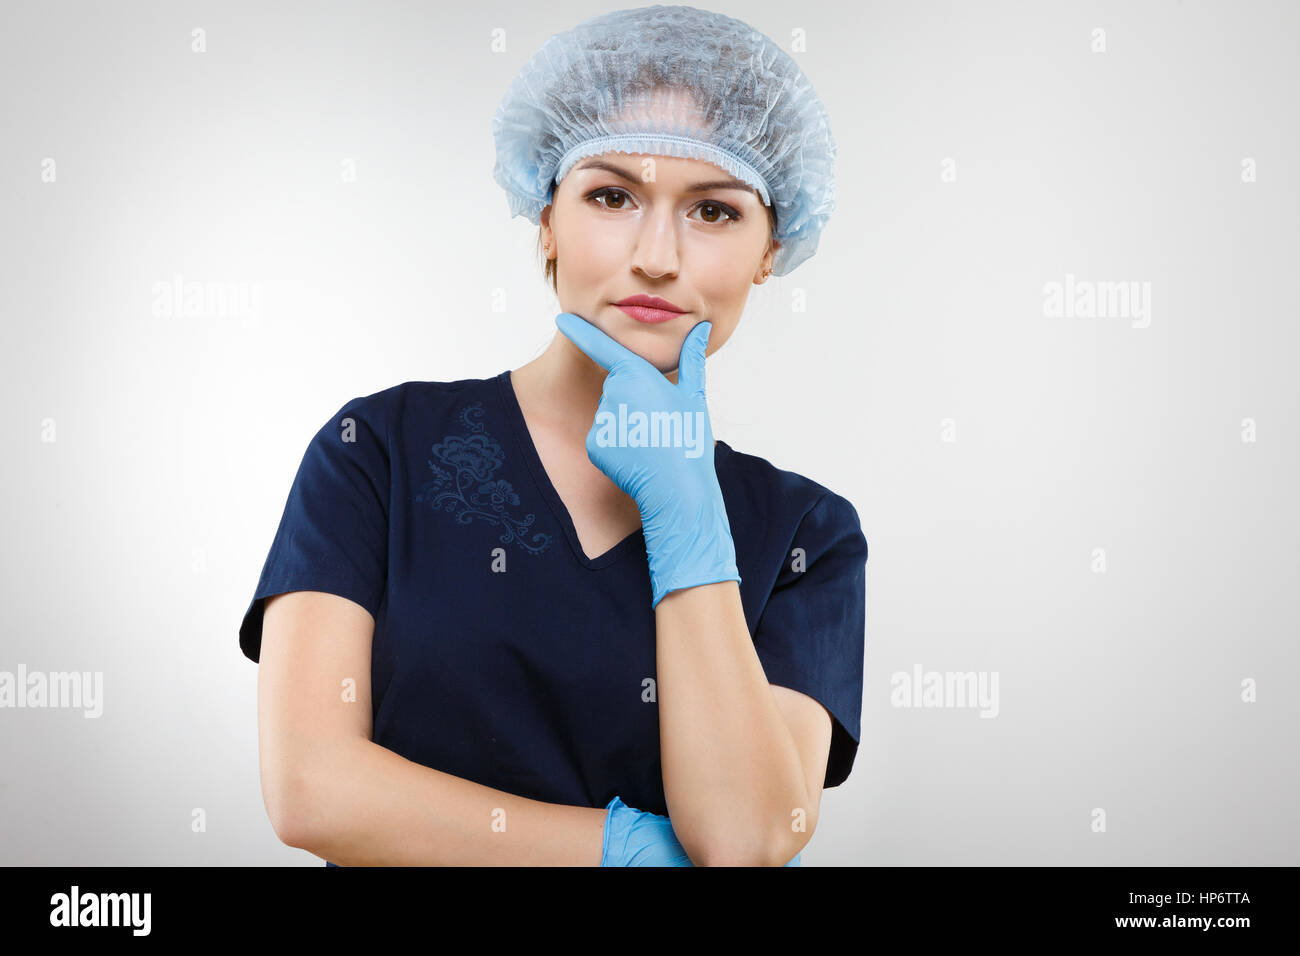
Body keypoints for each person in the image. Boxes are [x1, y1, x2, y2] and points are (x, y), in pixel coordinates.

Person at [238, 4, 866, 867]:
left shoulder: (805, 535)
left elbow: (752, 837)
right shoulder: (375, 449)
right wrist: (614, 851)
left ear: (772, 247)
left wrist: (689, 519)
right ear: (545, 217)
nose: (656, 255)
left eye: (714, 211)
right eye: (612, 196)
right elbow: (311, 786)